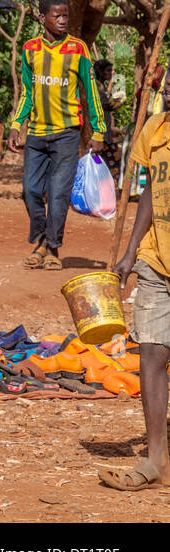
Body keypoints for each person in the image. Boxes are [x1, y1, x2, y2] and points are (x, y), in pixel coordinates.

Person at [7, 0, 106, 269]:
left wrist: (98, 131)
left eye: (65, 16)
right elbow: (27, 92)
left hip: (67, 134)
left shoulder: (79, 49)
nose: (63, 21)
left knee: (59, 193)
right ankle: (41, 239)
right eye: (57, 16)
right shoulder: (29, 49)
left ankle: (51, 249)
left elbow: (91, 92)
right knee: (30, 191)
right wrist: (16, 125)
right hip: (37, 134)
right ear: (42, 18)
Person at [104, 108, 170, 490]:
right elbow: (149, 191)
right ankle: (156, 458)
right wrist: (130, 252)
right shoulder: (155, 128)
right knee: (152, 352)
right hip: (156, 258)